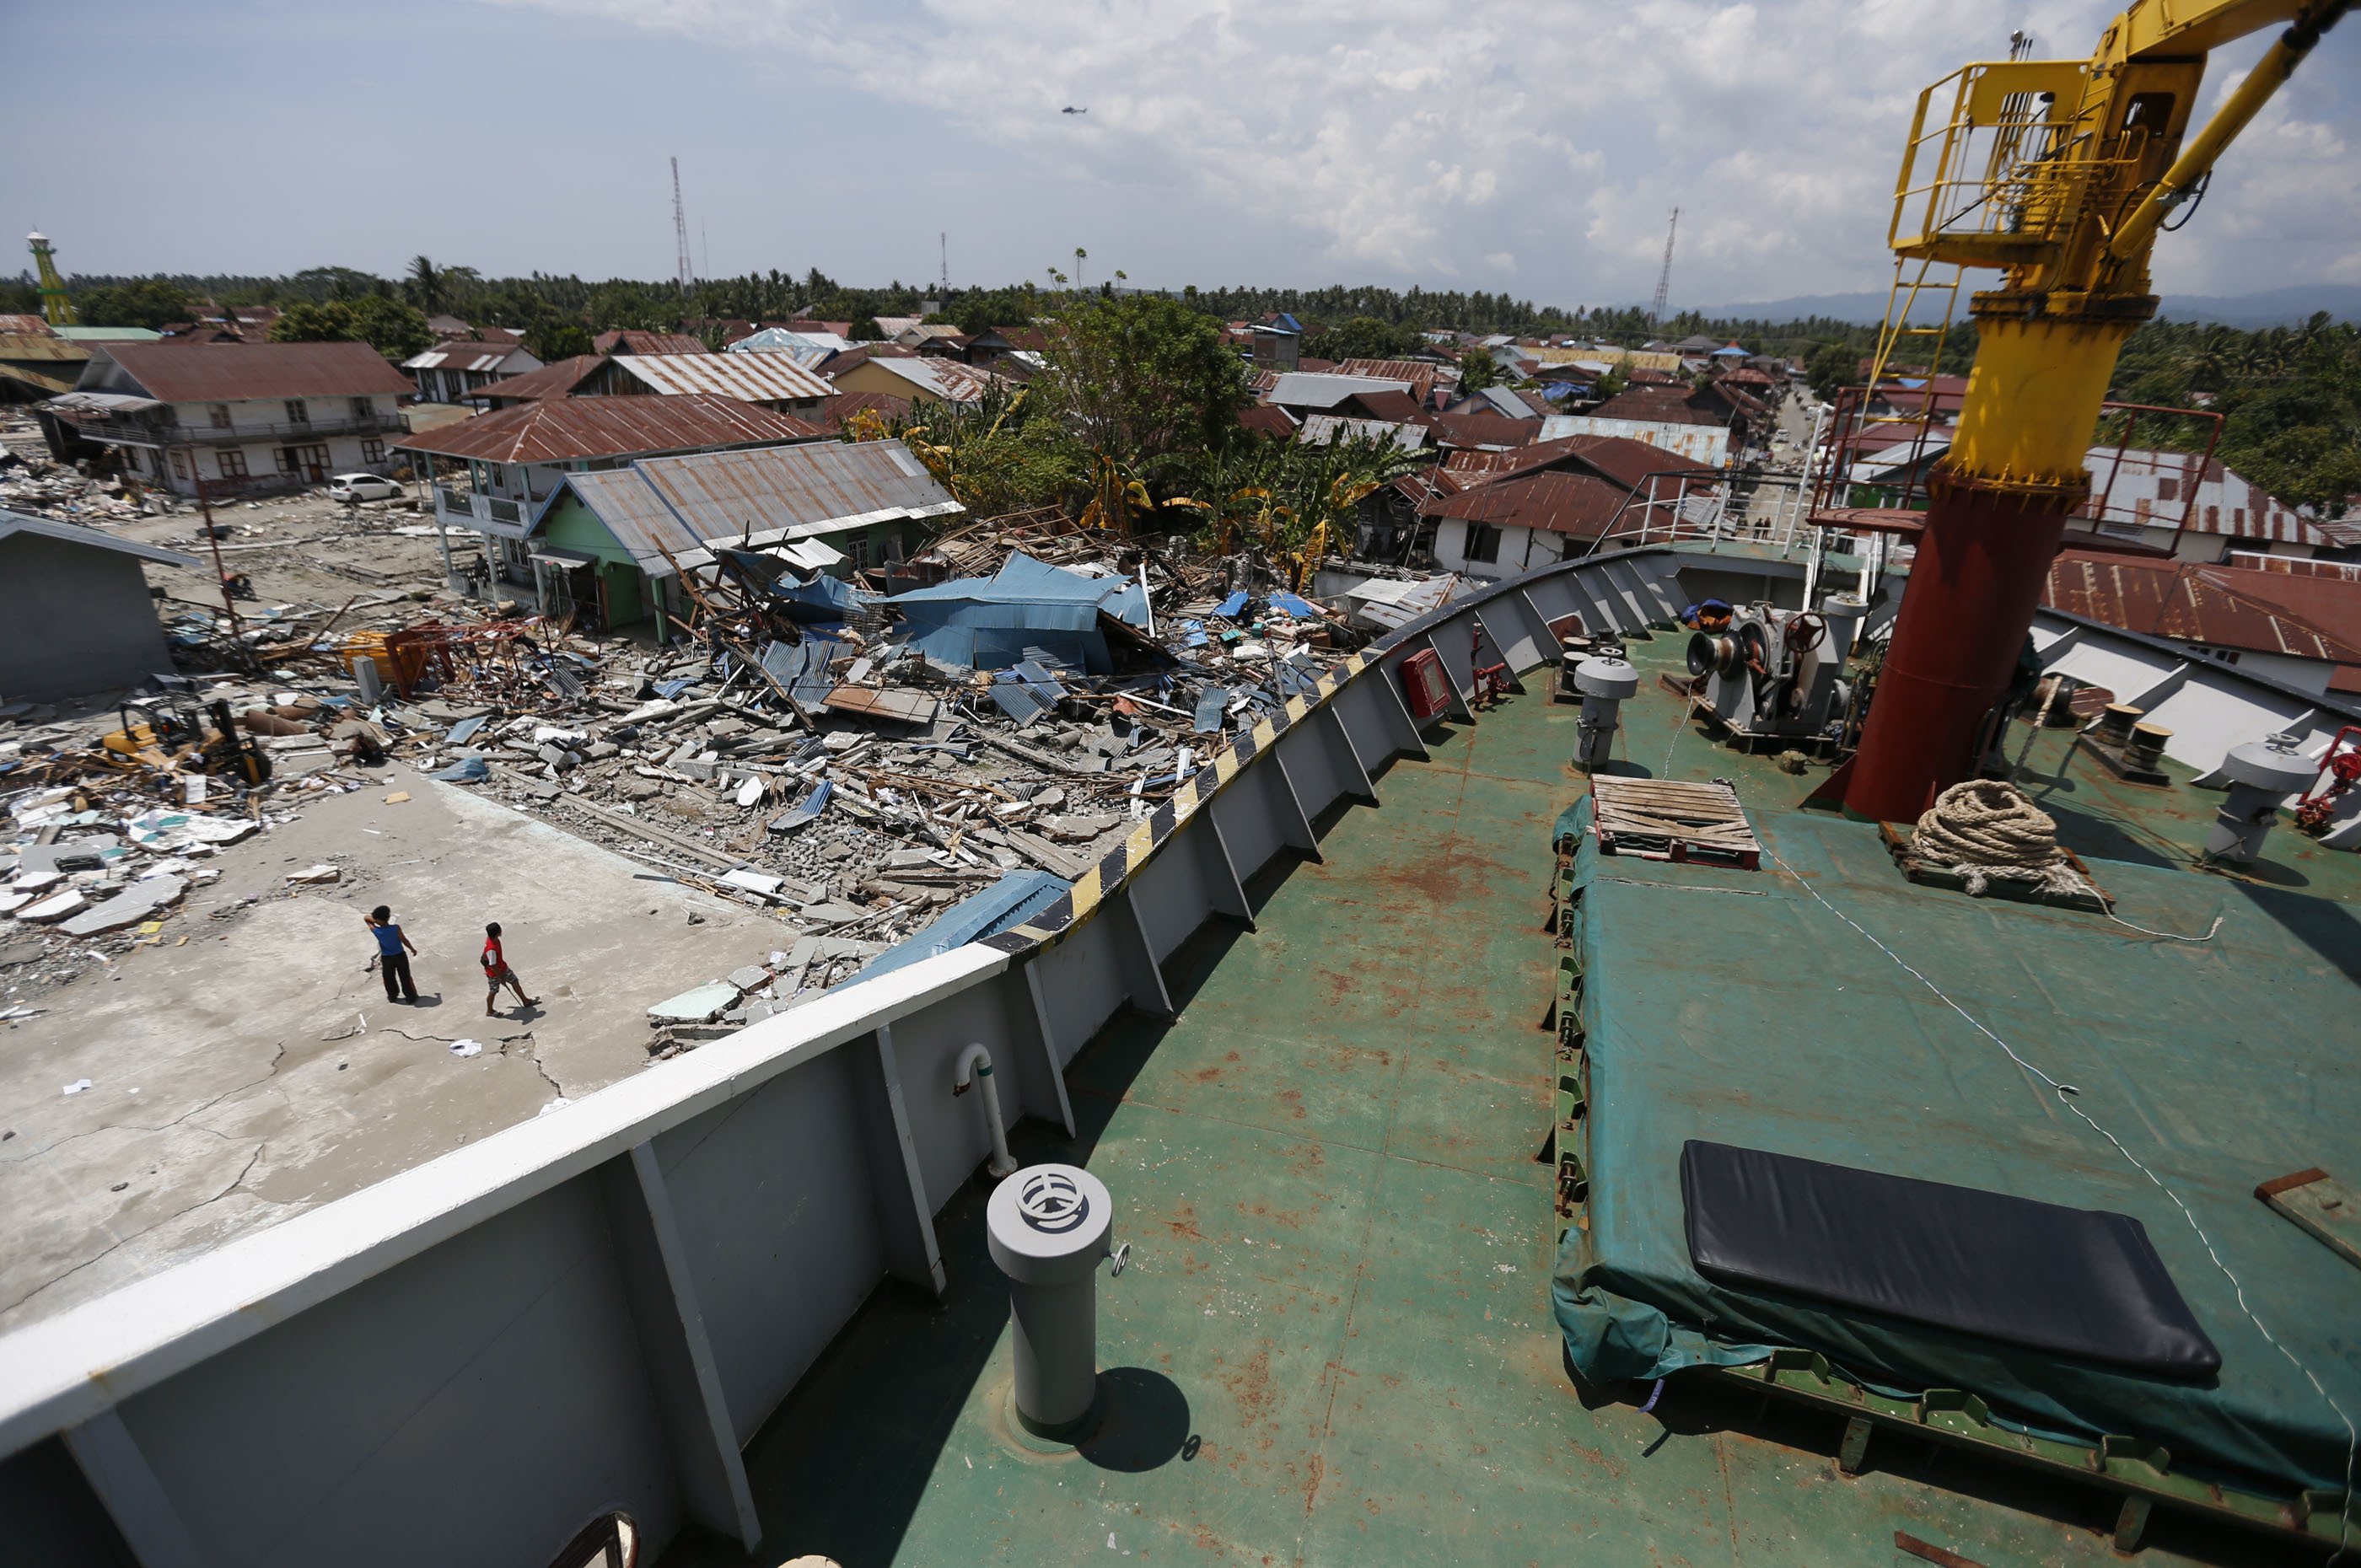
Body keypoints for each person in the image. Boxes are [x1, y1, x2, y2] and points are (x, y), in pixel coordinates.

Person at [481, 922, 538, 1018]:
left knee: (514, 981)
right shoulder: (491, 949)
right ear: (497, 932)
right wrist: (501, 977)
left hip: (502, 967)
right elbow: (493, 965)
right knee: (493, 991)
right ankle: (489, 1011)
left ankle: (525, 1001)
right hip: (494, 973)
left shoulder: (493, 939)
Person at [365, 905, 418, 1003]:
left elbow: (366, 918)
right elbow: (404, 940)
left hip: (387, 958)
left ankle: (392, 996)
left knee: (388, 978)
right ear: (388, 917)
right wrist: (412, 949)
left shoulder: (376, 930)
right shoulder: (396, 928)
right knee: (405, 977)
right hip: (400, 956)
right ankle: (411, 997)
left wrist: (375, 920)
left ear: (377, 920)